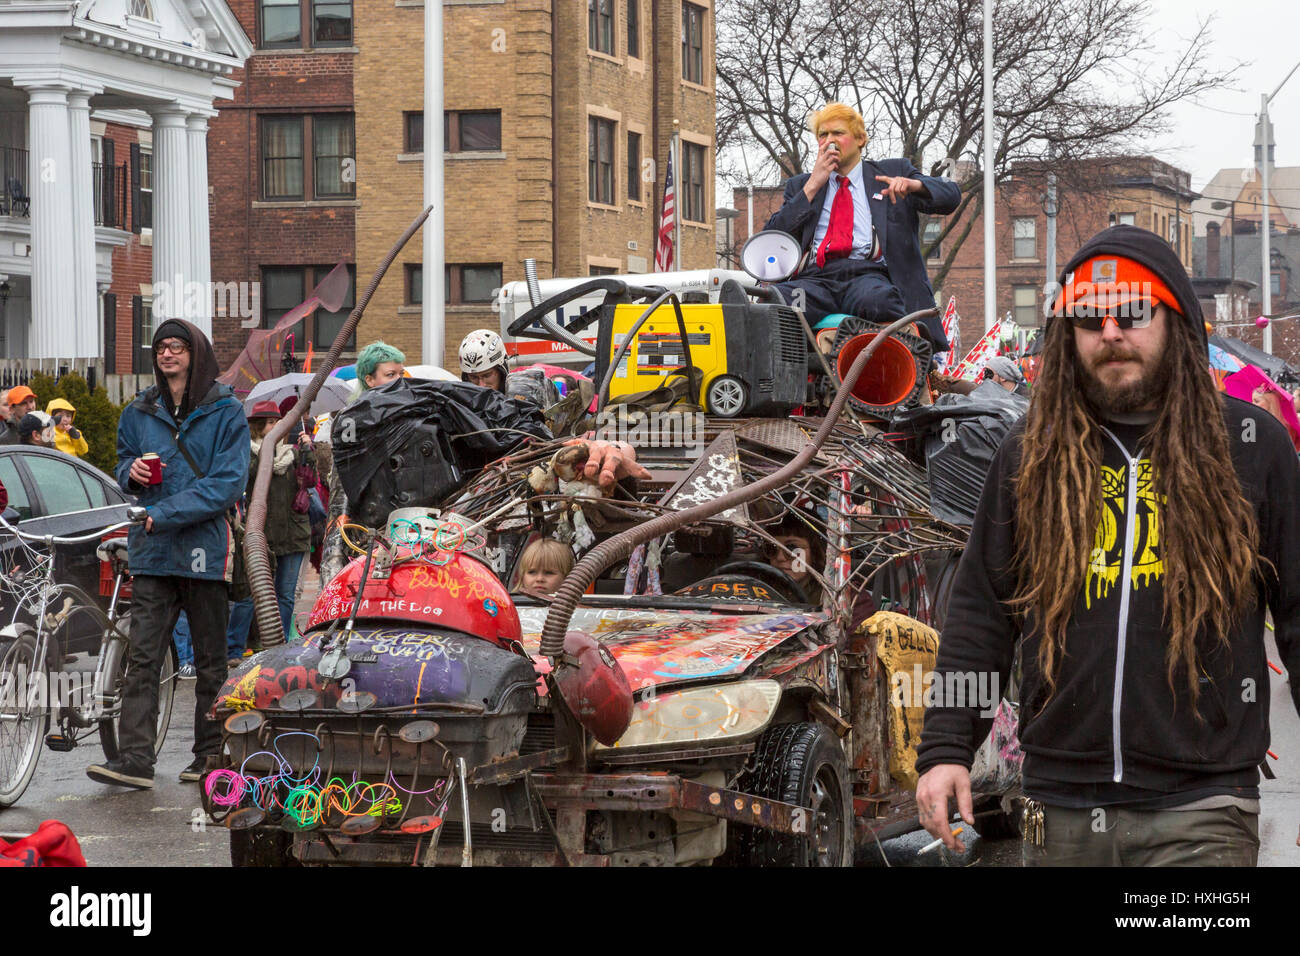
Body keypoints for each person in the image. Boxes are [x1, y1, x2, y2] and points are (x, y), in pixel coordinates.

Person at [914, 224, 1300, 866]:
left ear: (1176, 322)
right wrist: (948, 748)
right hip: (1059, 808)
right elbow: (982, 615)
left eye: (1132, 313)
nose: (1111, 332)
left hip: (1204, 808)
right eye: (1090, 319)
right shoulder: (1029, 453)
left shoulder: (1250, 447)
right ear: (1069, 335)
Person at [87, 318, 249, 789]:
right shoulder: (138, 410)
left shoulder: (227, 412)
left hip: (203, 550)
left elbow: (226, 485)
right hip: (153, 552)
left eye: (177, 346)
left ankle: (209, 756)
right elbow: (122, 464)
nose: (167, 354)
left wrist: (168, 513)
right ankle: (134, 759)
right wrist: (130, 472)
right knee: (143, 659)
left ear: (195, 352)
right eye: (160, 347)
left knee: (210, 663)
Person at [764, 102, 961, 349]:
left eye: (837, 133)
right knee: (775, 304)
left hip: (866, 276)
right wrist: (813, 185)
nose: (829, 141)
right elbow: (772, 239)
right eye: (822, 135)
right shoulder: (802, 185)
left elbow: (951, 196)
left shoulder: (892, 171)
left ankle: (892, 371)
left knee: (881, 302)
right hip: (816, 281)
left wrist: (914, 186)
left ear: (860, 139)